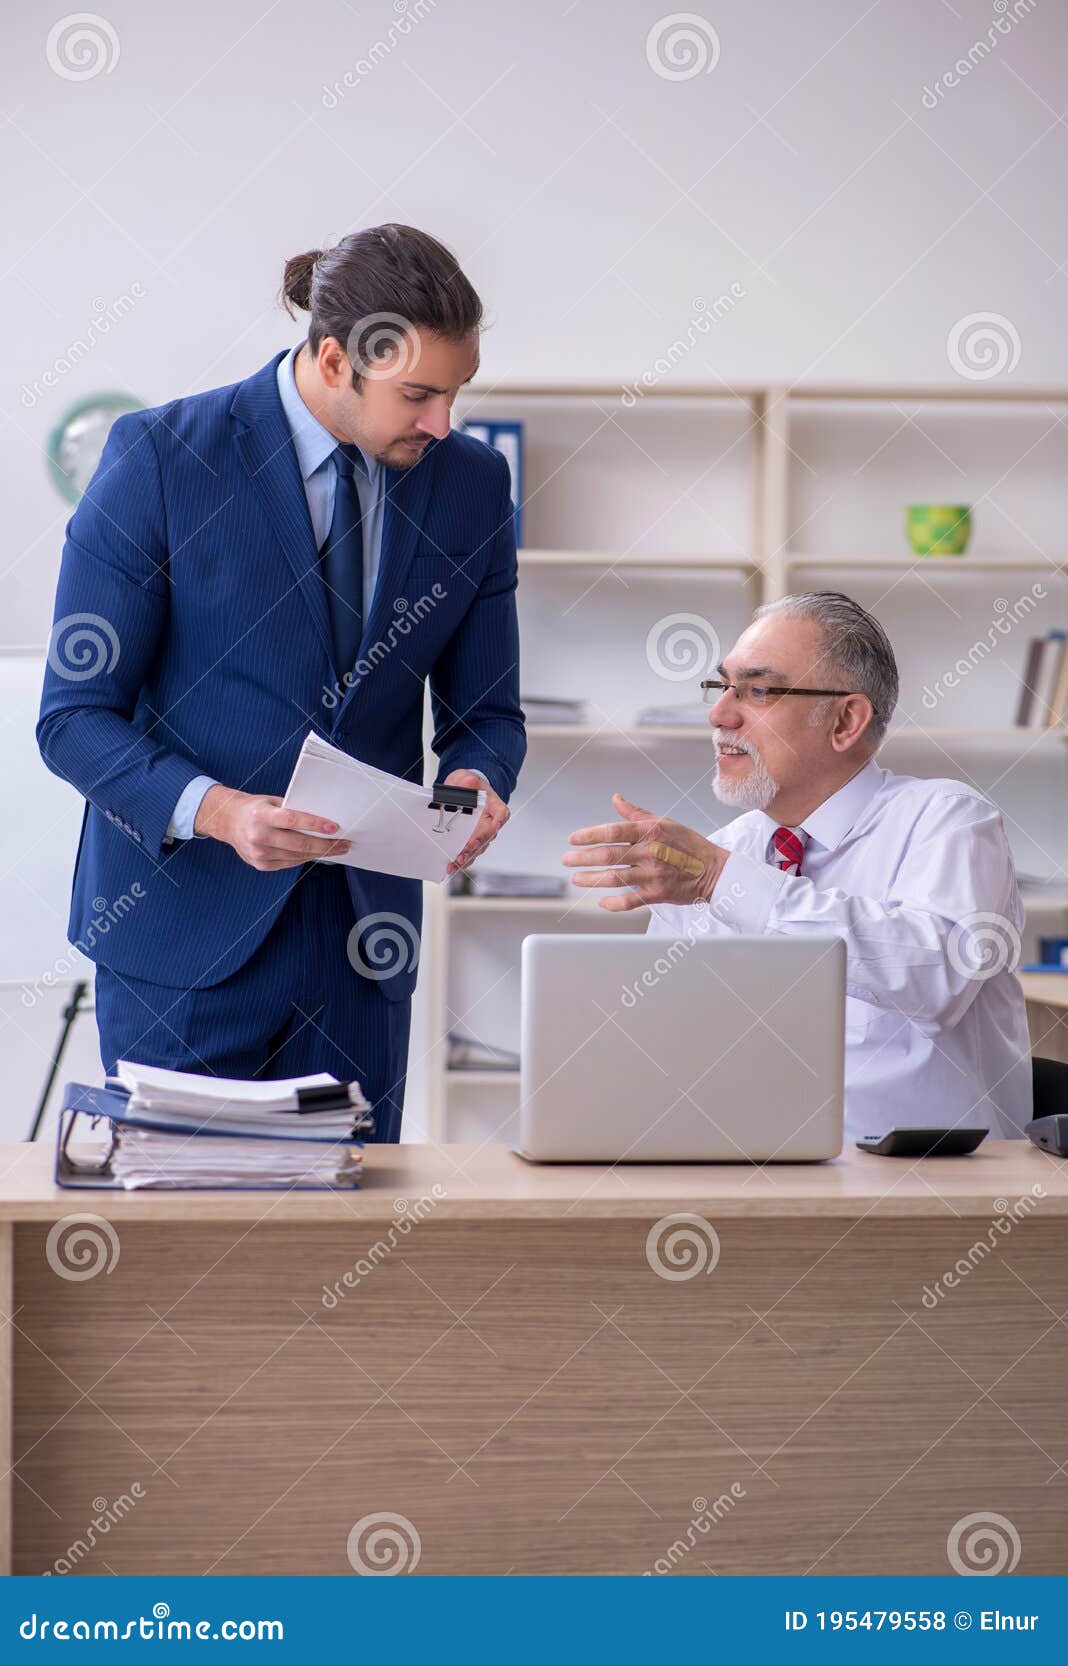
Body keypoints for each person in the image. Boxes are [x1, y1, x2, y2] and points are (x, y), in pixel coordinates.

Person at [38, 224, 526, 1142]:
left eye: (454, 395)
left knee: (347, 1256)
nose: (440, 425)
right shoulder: (160, 457)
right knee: (178, 1252)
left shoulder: (470, 484)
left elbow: (487, 711)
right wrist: (219, 811)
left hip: (361, 945)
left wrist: (477, 778)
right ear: (335, 358)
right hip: (183, 936)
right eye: (418, 395)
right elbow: (73, 719)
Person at [563, 591, 1031, 1142]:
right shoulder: (712, 856)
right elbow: (664, 1051)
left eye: (757, 690)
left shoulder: (948, 821)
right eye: (721, 686)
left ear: (846, 720)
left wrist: (721, 881)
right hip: (747, 1180)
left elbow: (936, 978)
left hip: (937, 1198)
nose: (720, 715)